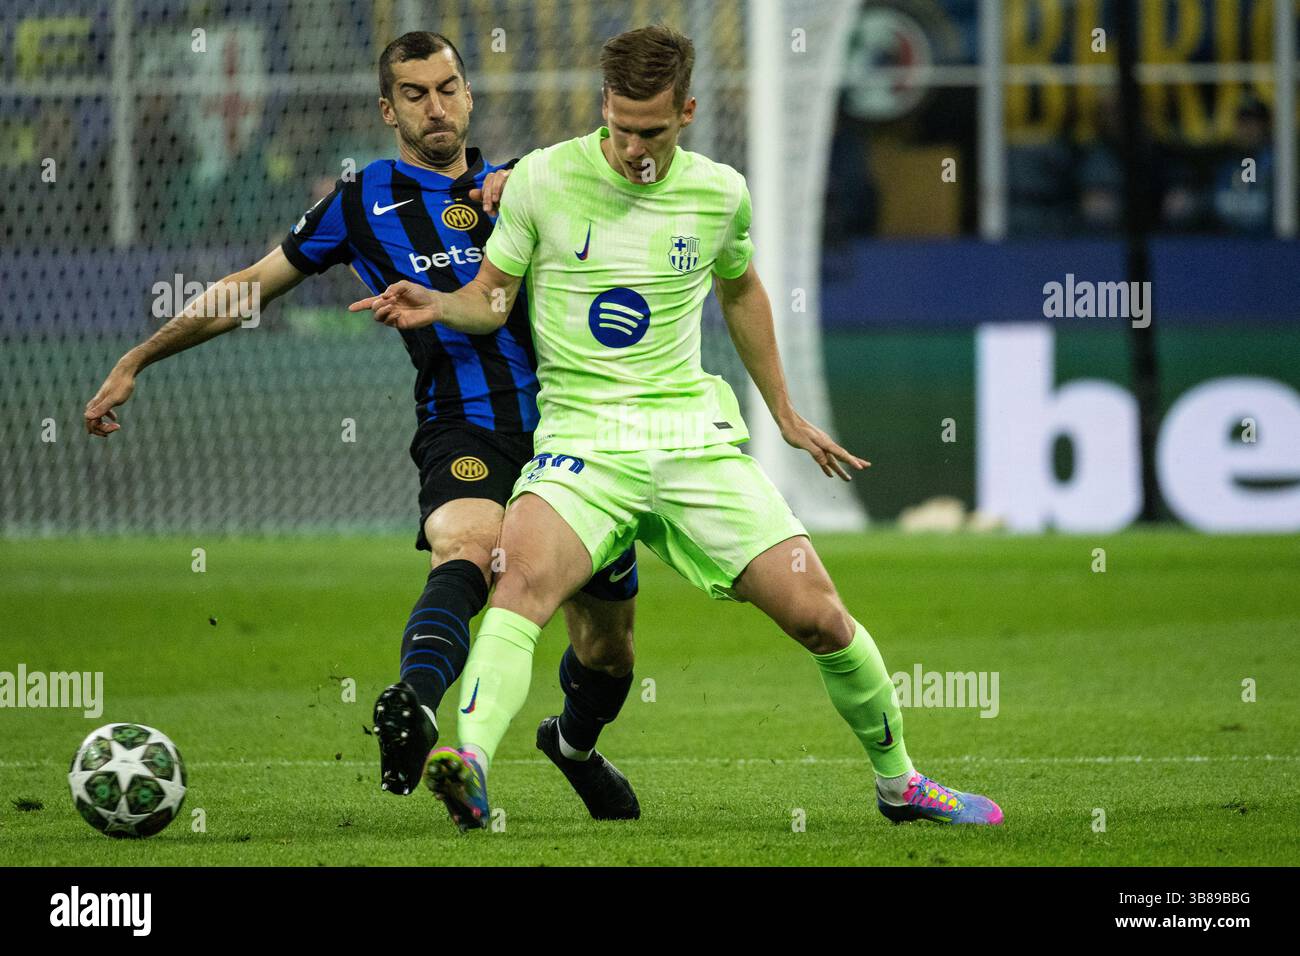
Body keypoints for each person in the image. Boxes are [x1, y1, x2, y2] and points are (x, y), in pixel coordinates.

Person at [349, 25, 1003, 831]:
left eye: (652, 131)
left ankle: (900, 783)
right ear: (603, 108)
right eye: (620, 126)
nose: (633, 148)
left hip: (690, 441)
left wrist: (787, 413)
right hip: (581, 445)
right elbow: (492, 298)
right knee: (515, 583)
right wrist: (437, 302)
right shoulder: (543, 181)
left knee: (819, 616)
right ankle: (472, 761)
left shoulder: (720, 193)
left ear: (686, 111)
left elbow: (742, 291)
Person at [84, 31, 641, 822]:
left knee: (608, 648)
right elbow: (253, 286)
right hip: (465, 424)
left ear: (469, 95)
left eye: (448, 87)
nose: (435, 106)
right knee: (469, 547)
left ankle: (573, 744)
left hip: (574, 432)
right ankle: (413, 706)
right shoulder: (359, 201)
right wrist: (140, 357)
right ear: (388, 109)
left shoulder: (528, 184)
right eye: (414, 94)